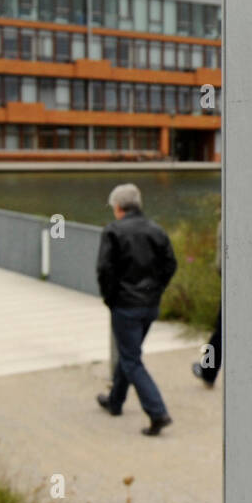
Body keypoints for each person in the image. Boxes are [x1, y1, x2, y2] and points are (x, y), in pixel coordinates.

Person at [96, 183, 178, 436]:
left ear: (119, 207)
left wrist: (111, 299)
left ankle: (157, 412)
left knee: (131, 359)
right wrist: (156, 291)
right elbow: (170, 264)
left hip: (125, 305)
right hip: (149, 306)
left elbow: (104, 270)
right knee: (129, 351)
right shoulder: (157, 230)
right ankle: (115, 401)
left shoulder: (113, 231)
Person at [193, 217, 222, 387]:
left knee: (220, 334)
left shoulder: (226, 220)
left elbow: (220, 265)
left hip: (234, 286)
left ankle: (208, 371)